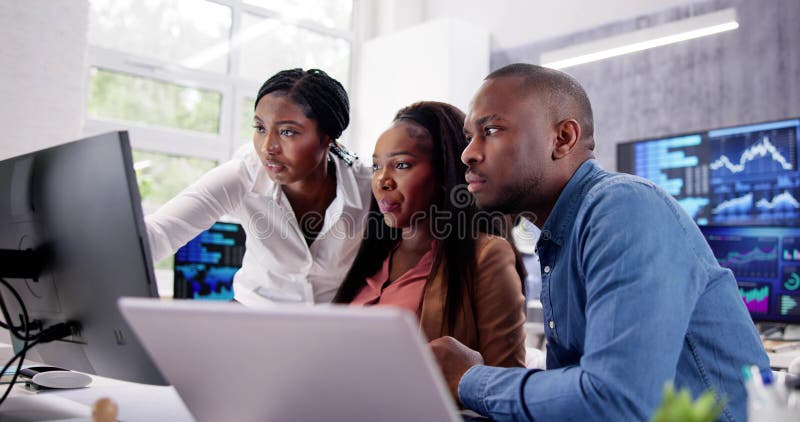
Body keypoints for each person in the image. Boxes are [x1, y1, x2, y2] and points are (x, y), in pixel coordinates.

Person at [429, 63, 770, 421]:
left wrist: (468, 379)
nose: (468, 153)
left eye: (492, 130)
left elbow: (615, 399)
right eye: (470, 136)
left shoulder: (623, 205)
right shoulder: (559, 238)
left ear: (563, 138)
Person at [146, 68, 372, 306]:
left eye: (287, 132)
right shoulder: (242, 175)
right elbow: (160, 232)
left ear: (327, 137)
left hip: (331, 328)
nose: (267, 147)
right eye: (260, 128)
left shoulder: (369, 185)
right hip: (251, 316)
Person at [333, 101, 527, 367]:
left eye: (401, 165)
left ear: (445, 173)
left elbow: (506, 382)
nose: (382, 181)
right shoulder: (374, 252)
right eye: (377, 166)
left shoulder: (486, 255)